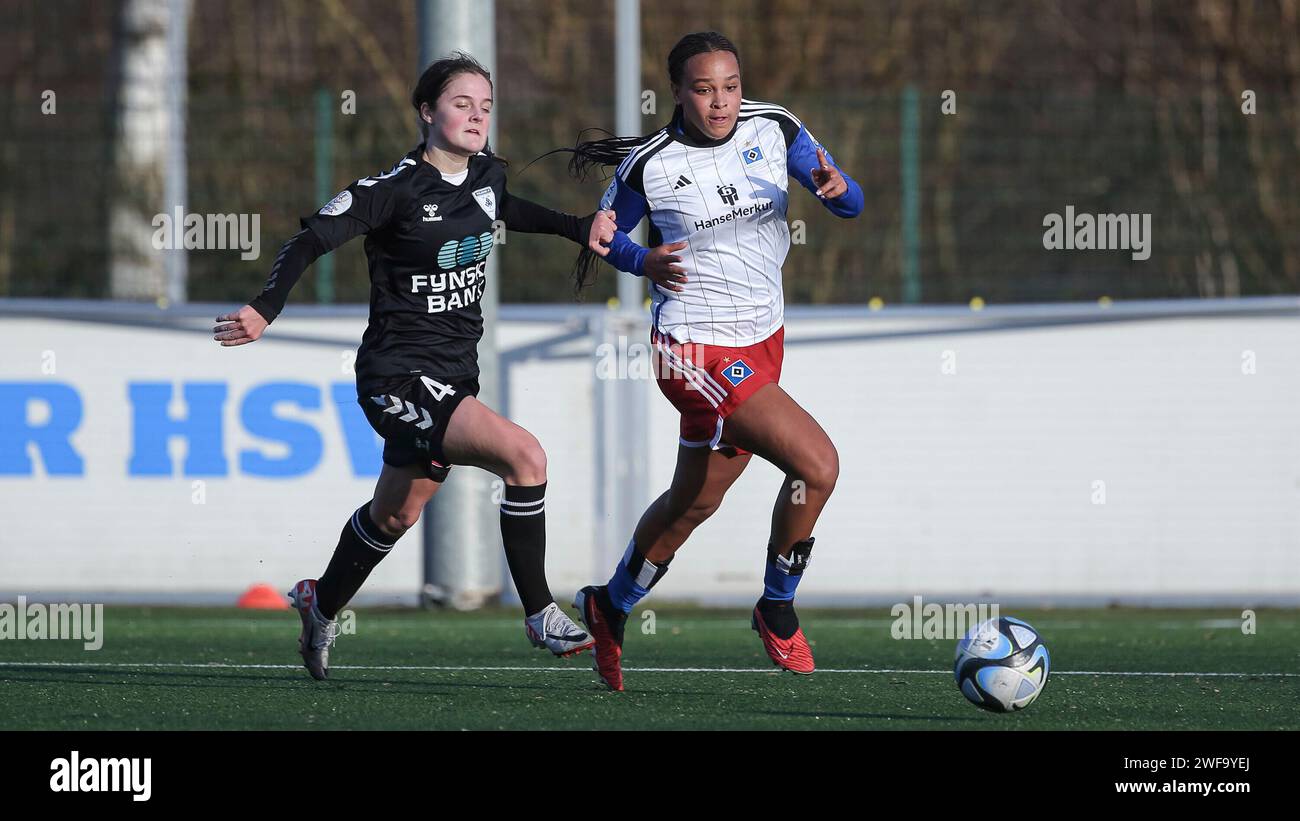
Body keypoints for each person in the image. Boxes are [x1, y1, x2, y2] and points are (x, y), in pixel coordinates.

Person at [213, 53, 618, 680]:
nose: (477, 115)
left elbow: (508, 209)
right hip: (395, 376)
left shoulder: (485, 176)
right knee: (525, 456)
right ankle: (540, 612)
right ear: (427, 112)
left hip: (453, 372)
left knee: (396, 514)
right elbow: (311, 237)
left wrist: (578, 226)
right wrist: (267, 306)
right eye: (462, 103)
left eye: (486, 106)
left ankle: (320, 604)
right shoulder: (392, 189)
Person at [564, 31, 863, 690]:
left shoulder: (775, 127)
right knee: (817, 464)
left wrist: (838, 191)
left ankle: (609, 604)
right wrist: (643, 260)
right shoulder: (652, 163)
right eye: (704, 89)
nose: (721, 101)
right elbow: (604, 237)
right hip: (692, 347)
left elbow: (851, 200)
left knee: (695, 502)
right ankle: (777, 605)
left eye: (730, 85)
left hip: (763, 339)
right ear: (677, 91)